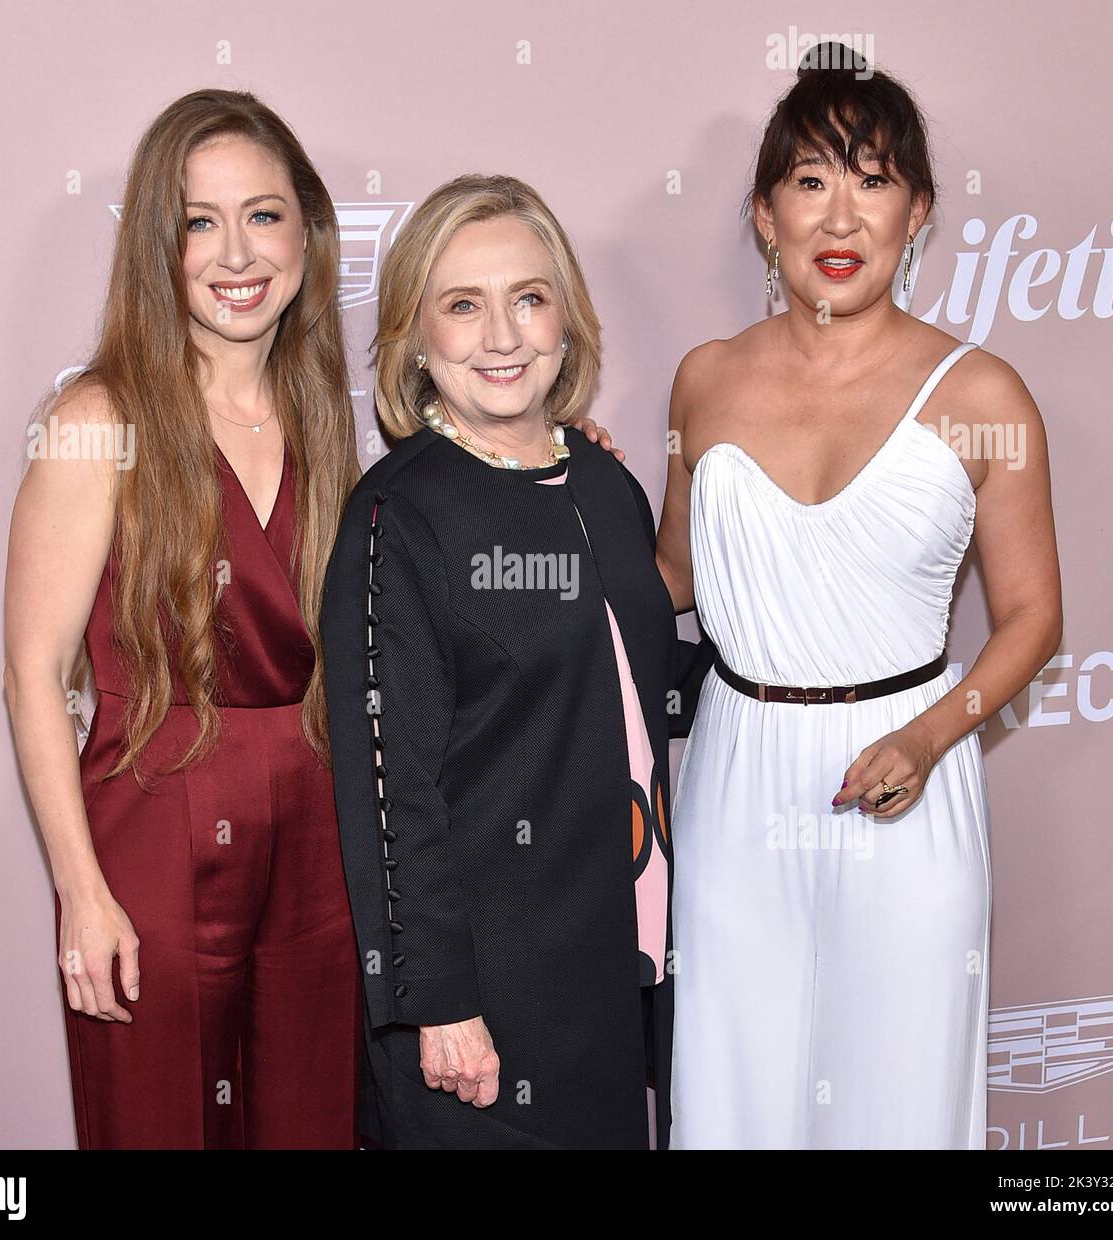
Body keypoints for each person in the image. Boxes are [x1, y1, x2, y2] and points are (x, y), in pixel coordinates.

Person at [657, 46, 1063, 1148]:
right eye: (809, 181)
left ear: (917, 210)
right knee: (733, 1087)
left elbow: (1031, 619)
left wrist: (930, 737)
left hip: (904, 782)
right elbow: (670, 582)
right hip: (736, 785)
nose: (840, 217)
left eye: (873, 179)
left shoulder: (981, 392)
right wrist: (553, 496)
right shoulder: (704, 379)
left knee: (898, 1095)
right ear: (762, 214)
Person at [3, 89, 364, 1148]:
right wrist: (81, 891)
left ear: (307, 229)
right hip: (154, 824)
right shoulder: (97, 419)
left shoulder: (324, 419)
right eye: (198, 221)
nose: (234, 251)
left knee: (309, 1119)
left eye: (262, 213)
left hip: (317, 830)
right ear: (158, 249)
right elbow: (33, 676)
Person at [321, 174, 709, 1149]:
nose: (501, 335)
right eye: (462, 305)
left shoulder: (605, 482)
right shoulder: (396, 516)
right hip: (485, 998)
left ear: (567, 321)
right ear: (414, 337)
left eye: (528, 298)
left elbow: (630, 681)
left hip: (613, 963)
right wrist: (438, 1002)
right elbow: (385, 788)